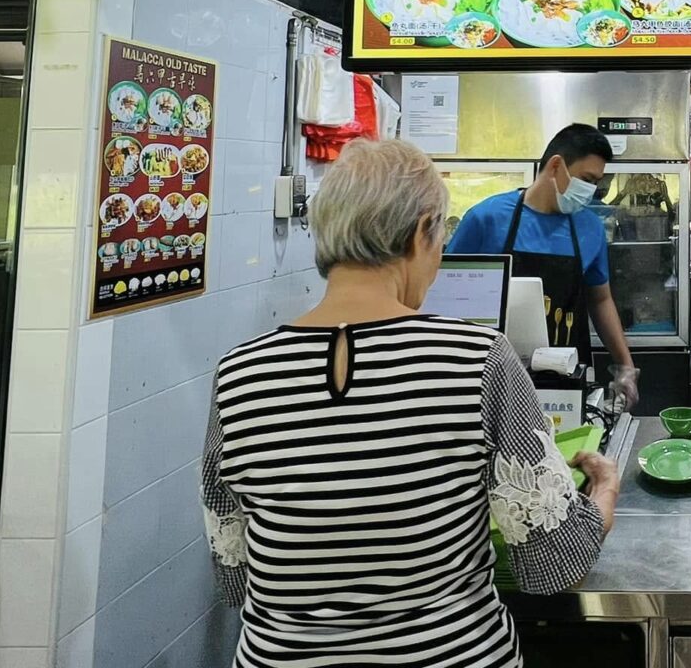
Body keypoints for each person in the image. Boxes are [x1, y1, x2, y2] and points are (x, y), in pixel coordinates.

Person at [201, 140, 619, 668]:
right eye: (441, 234)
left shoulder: (237, 373)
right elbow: (554, 564)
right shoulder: (477, 358)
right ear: (422, 231)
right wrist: (604, 489)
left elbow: (234, 575)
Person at [448, 123, 639, 408]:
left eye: (596, 182)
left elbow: (600, 299)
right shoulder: (486, 219)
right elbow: (447, 294)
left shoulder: (589, 228)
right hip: (491, 378)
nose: (590, 191)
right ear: (555, 166)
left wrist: (625, 366)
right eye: (586, 179)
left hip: (567, 383)